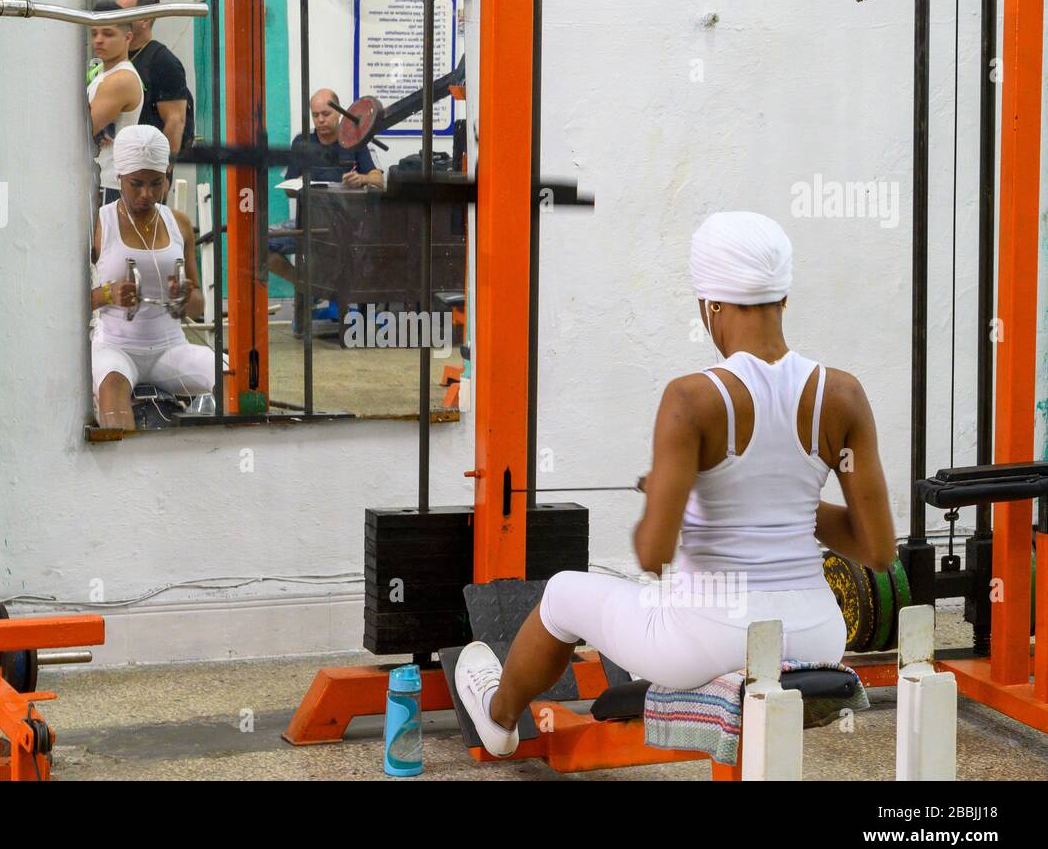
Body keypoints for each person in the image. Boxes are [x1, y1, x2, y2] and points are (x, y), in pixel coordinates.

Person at [454, 210, 897, 757]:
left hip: (705, 639)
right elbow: (878, 551)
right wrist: (785, 502)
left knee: (564, 592)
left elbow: (652, 553)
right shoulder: (844, 394)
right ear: (783, 298)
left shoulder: (693, 397)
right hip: (819, 636)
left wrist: (680, 493)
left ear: (710, 305)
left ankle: (497, 716)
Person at [90, 125, 213, 430]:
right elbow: (66, 304)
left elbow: (198, 306)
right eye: (136, 184)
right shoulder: (98, 223)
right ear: (119, 177)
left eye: (156, 183)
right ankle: (126, 473)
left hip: (170, 348)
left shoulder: (179, 224)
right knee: (112, 389)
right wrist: (108, 294)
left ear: (167, 175)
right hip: (115, 347)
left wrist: (185, 297)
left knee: (235, 377)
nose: (147, 194)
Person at [269, 88, 383, 289]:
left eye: (326, 114)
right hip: (310, 222)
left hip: (350, 225)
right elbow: (288, 188)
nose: (320, 120)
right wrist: (298, 184)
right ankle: (305, 285)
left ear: (339, 113)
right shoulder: (302, 142)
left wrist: (362, 178)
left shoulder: (356, 140)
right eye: (315, 115)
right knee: (260, 243)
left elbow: (379, 181)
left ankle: (331, 293)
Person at [115, 0, 196, 171]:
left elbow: (175, 121)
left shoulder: (162, 61)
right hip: (118, 164)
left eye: (123, 12)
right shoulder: (118, 55)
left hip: (145, 171)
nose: (115, 18)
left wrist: (162, 173)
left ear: (145, 19)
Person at [87, 0, 144, 206]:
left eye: (108, 34)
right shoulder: (105, 73)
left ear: (128, 37)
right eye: (94, 33)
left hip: (109, 184)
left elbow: (83, 130)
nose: (99, 40)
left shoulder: (121, 79)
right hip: (102, 180)